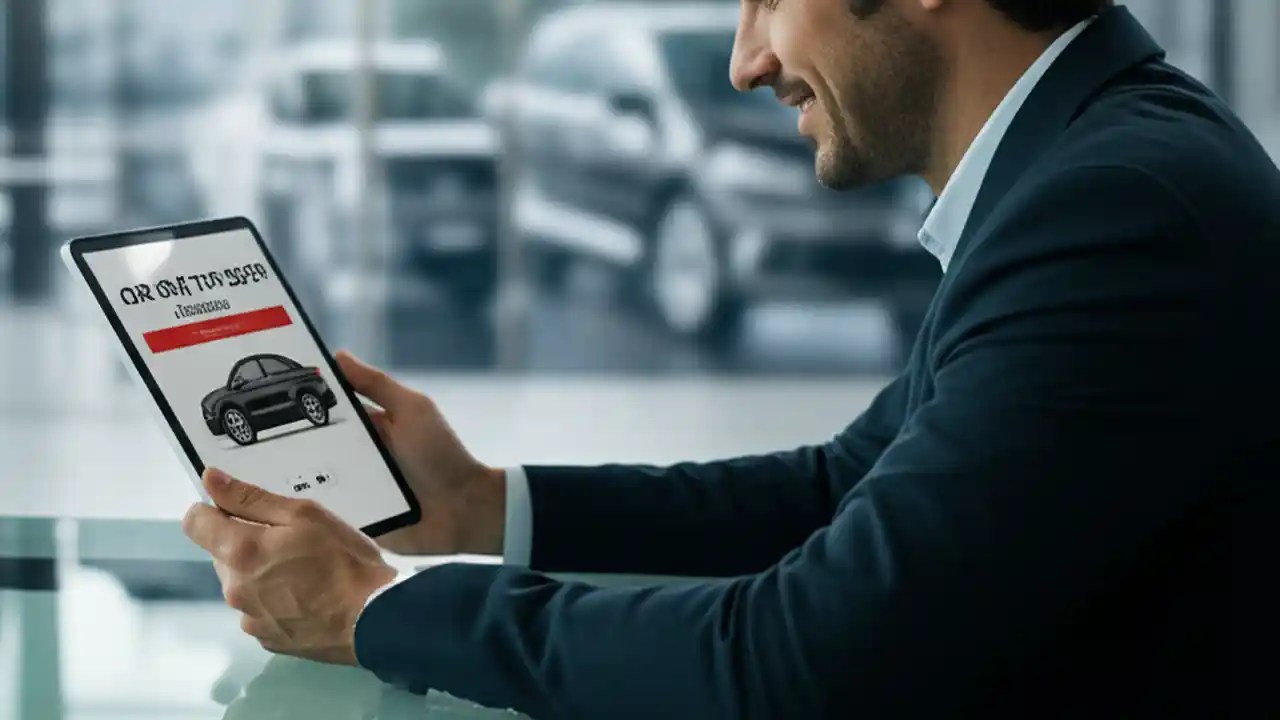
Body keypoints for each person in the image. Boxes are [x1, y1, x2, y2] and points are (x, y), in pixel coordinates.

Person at [182, 0, 1278, 716]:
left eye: (764, 0)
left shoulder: (1111, 208)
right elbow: (837, 491)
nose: (746, 61)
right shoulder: (1098, 165)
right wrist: (478, 506)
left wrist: (379, 610)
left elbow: (806, 658)